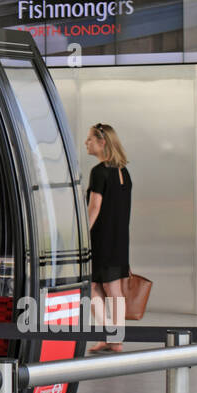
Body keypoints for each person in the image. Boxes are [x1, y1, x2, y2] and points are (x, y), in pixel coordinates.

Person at [85, 123, 131, 353]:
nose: (87, 143)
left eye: (90, 139)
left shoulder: (99, 172)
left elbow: (94, 208)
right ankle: (115, 339)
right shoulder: (123, 172)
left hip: (101, 238)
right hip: (120, 239)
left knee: (92, 287)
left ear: (102, 143)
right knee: (114, 290)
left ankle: (109, 334)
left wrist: (83, 234)